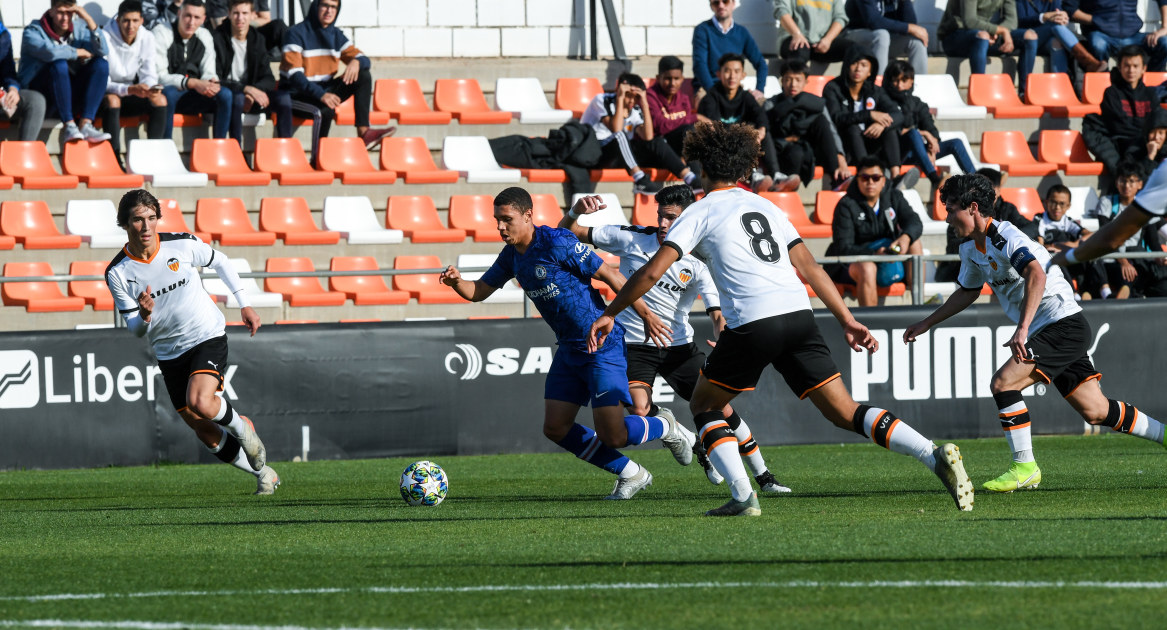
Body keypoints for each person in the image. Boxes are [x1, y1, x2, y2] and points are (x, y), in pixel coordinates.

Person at [588, 121, 975, 516]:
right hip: (800, 315)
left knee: (704, 405)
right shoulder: (765, 205)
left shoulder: (700, 210)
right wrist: (846, 318)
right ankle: (931, 453)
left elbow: (653, 271)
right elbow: (809, 266)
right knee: (845, 411)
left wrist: (610, 313)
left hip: (755, 321)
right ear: (742, 169)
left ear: (704, 168)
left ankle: (743, 497)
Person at [907, 173, 1166, 493]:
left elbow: (1036, 274)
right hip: (1054, 328)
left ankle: (1025, 467)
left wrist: (1022, 330)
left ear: (973, 208)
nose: (947, 217)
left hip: (1063, 324)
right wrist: (927, 323)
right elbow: (967, 292)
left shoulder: (1004, 236)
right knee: (1096, 411)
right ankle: (1164, 435)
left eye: (951, 208)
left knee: (1003, 383)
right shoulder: (970, 249)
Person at [439, 187, 698, 501]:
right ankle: (632, 473)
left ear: (528, 216)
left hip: (602, 345)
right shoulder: (511, 256)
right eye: (497, 220)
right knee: (556, 427)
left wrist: (645, 313)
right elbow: (478, 291)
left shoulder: (557, 242)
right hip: (569, 350)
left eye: (507, 219)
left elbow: (611, 276)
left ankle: (663, 425)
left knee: (613, 434)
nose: (500, 227)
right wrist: (456, 282)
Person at [559, 184, 791, 494]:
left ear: (687, 220)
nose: (664, 225)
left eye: (671, 218)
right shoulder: (631, 237)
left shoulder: (699, 259)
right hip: (634, 345)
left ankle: (764, 477)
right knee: (639, 410)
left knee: (720, 409)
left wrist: (723, 334)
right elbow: (568, 233)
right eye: (661, 217)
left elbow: (716, 311)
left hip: (678, 347)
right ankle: (682, 434)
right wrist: (576, 212)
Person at [104, 188, 279, 495]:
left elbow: (221, 261)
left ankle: (242, 429)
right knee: (202, 427)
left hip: (205, 334)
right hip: (169, 354)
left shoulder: (181, 244)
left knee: (201, 401)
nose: (145, 227)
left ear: (158, 218)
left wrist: (244, 303)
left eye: (151, 218)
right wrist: (144, 317)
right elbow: (134, 329)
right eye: (137, 220)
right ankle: (264, 473)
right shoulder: (118, 272)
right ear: (124, 224)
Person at [280, 0, 396, 162]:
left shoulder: (336, 35)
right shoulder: (296, 33)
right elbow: (295, 77)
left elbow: (363, 58)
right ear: (316, 7)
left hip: (323, 91)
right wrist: (321, 95)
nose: (329, 11)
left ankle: (364, 132)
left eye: (334, 7)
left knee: (363, 75)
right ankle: (317, 160)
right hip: (296, 95)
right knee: (325, 110)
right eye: (325, 5)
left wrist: (357, 62)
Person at [825, 155, 924, 306]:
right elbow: (843, 248)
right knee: (868, 267)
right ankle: (870, 325)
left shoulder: (894, 196)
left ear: (883, 180)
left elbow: (915, 222)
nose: (870, 182)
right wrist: (873, 254)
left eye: (876, 177)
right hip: (851, 264)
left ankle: (919, 305)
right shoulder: (845, 205)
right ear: (857, 179)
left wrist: (905, 238)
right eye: (865, 178)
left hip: (887, 256)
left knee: (914, 243)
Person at [581, 72, 701, 195]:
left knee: (656, 141)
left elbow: (648, 136)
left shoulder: (635, 109)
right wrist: (620, 98)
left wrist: (644, 103)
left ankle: (690, 178)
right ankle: (640, 178)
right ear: (619, 91)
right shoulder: (602, 99)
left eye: (636, 97)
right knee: (620, 135)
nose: (632, 100)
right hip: (597, 153)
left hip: (624, 155)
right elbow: (616, 129)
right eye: (628, 95)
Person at [697, 53, 794, 192]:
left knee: (762, 132)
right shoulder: (711, 98)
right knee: (746, 134)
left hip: (742, 139)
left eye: (736, 71)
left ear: (743, 75)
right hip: (720, 146)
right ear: (719, 74)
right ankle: (754, 176)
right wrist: (745, 132)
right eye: (727, 71)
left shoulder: (746, 96)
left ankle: (776, 175)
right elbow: (714, 126)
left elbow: (760, 115)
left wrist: (761, 130)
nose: (732, 76)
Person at [18, 0, 112, 144]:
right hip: (42, 95)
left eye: (69, 13)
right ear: (51, 11)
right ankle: (69, 125)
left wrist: (89, 19)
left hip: (68, 93)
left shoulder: (80, 28)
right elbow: (49, 53)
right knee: (59, 64)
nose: (65, 18)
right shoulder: (33, 30)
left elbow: (103, 51)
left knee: (101, 64)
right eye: (60, 12)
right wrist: (76, 52)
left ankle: (86, 123)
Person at [883, 61, 978, 188]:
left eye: (904, 80)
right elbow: (893, 131)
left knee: (956, 143)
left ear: (911, 81)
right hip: (895, 154)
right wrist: (924, 134)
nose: (899, 85)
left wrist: (932, 146)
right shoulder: (884, 101)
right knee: (913, 133)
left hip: (920, 152)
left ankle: (977, 184)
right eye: (895, 80)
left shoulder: (917, 103)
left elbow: (930, 127)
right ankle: (935, 179)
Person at [823, 48, 910, 188]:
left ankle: (896, 177)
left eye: (863, 65)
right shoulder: (833, 88)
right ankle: (868, 173)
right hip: (846, 146)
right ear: (846, 66)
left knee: (889, 128)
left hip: (871, 143)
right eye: (854, 64)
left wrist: (881, 125)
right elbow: (836, 118)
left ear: (870, 71)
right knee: (852, 128)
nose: (858, 69)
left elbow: (898, 115)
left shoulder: (875, 90)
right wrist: (869, 115)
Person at [935, 167, 1037, 282]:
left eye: (987, 187)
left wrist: (1002, 244)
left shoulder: (1007, 232)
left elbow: (1036, 275)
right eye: (978, 188)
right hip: (959, 271)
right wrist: (980, 238)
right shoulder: (962, 229)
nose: (948, 219)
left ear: (998, 190)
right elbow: (954, 248)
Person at [212, 0, 292, 143]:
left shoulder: (258, 39)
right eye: (236, 13)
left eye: (244, 13)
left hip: (252, 96)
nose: (240, 18)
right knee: (237, 98)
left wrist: (253, 92)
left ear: (253, 15)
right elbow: (215, 79)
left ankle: (285, 150)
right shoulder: (217, 38)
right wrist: (246, 89)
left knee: (284, 99)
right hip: (229, 94)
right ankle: (236, 150)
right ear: (229, 14)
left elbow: (269, 78)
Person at [1083, 160, 1165, 298]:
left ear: (1140, 184)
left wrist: (1160, 258)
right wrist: (1123, 261)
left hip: (1135, 256)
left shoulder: (1145, 207)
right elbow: (1107, 237)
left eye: (1132, 181)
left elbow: (1153, 242)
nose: (1126, 186)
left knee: (1152, 277)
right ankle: (1106, 295)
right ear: (1116, 183)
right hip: (1111, 255)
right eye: (1123, 181)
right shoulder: (1106, 202)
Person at [767, 59, 852, 191]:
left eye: (798, 80)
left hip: (809, 149)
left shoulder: (815, 103)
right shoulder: (772, 104)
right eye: (788, 79)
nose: (793, 84)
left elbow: (830, 131)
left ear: (806, 82)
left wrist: (840, 157)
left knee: (821, 121)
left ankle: (836, 178)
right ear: (782, 81)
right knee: (796, 153)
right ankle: (784, 188)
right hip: (782, 149)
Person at [153, 0, 232, 140]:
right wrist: (192, 82)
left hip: (194, 94)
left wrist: (210, 82)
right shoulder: (161, 32)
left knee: (225, 95)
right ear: (179, 14)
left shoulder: (205, 35)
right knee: (167, 93)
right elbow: (159, 77)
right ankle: (166, 147)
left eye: (197, 18)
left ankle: (219, 147)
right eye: (187, 15)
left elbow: (209, 70)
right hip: (170, 94)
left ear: (204, 19)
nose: (191, 22)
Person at [103, 1, 167, 161]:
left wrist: (150, 87)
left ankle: (154, 158)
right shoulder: (104, 36)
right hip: (108, 95)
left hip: (132, 92)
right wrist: (129, 90)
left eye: (135, 21)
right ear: (118, 20)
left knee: (160, 99)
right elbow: (102, 83)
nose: (130, 26)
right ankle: (114, 158)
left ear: (142, 21)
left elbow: (149, 71)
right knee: (113, 100)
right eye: (126, 21)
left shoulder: (147, 37)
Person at [937, 0, 1038, 98]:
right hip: (955, 36)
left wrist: (997, 32)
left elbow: (1012, 21)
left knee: (1030, 36)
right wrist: (998, 30)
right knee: (982, 36)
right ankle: (978, 94)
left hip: (986, 35)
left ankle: (1024, 93)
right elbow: (970, 21)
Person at [1082, 46, 1158, 176]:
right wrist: (1144, 129)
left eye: (1135, 66)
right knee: (1091, 122)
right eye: (1127, 66)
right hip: (1122, 145)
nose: (1131, 70)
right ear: (1120, 67)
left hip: (1146, 144)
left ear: (1143, 69)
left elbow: (1157, 122)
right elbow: (1119, 126)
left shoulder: (1150, 94)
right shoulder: (1112, 93)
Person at [692, 0, 767, 103]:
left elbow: (760, 63)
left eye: (725, 1)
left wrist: (759, 89)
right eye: (716, 3)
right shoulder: (702, 30)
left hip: (734, 87)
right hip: (707, 89)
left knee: (761, 105)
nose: (721, 6)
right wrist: (714, 93)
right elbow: (700, 65)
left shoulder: (742, 32)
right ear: (711, 6)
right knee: (709, 106)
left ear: (733, 3)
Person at [1035, 184, 1103, 297]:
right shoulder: (1039, 219)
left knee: (1091, 254)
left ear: (1068, 206)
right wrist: (1051, 246)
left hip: (1069, 260)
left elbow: (1090, 234)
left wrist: (1074, 244)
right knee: (1056, 259)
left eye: (1062, 204)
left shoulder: (1068, 221)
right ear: (1046, 202)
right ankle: (1075, 295)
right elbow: (1038, 243)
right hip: (1052, 264)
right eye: (1053, 202)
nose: (1057, 207)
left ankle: (1104, 291)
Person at [645, 56, 702, 179]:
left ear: (682, 79)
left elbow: (684, 128)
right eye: (667, 78)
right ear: (658, 78)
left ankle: (700, 177)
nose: (672, 83)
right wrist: (694, 117)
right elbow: (661, 126)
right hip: (656, 151)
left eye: (676, 78)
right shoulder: (649, 97)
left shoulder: (684, 99)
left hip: (676, 151)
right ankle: (697, 180)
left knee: (691, 132)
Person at [1015, 0, 1107, 73]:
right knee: (1054, 26)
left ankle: (1061, 82)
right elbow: (1019, 21)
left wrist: (1063, 18)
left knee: (1056, 42)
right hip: (1025, 38)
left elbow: (1058, 15)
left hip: (1046, 39)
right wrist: (1043, 17)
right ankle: (1086, 60)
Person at [1072, 0, 1167, 70]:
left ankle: (1149, 86)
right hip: (1102, 35)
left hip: (1133, 35)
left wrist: (1165, 27)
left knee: (1164, 42)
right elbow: (1070, 9)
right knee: (1098, 45)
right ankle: (1103, 84)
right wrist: (1096, 21)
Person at [844, 0, 929, 75]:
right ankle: (879, 86)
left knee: (917, 42)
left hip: (882, 41)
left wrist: (904, 1)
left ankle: (918, 86)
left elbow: (910, 23)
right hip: (853, 36)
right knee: (882, 35)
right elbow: (873, 22)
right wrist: (909, 27)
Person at [0, 17, 47, 141]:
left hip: (1, 97)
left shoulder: (2, 36)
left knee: (35, 101)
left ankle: (23, 156)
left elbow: (8, 72)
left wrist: (13, 89)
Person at [775, 0, 858, 67]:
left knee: (856, 51)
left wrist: (828, 39)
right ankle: (796, 85)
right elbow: (782, 11)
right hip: (794, 39)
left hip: (822, 43)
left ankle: (844, 86)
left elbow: (840, 18)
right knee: (799, 51)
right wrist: (797, 34)